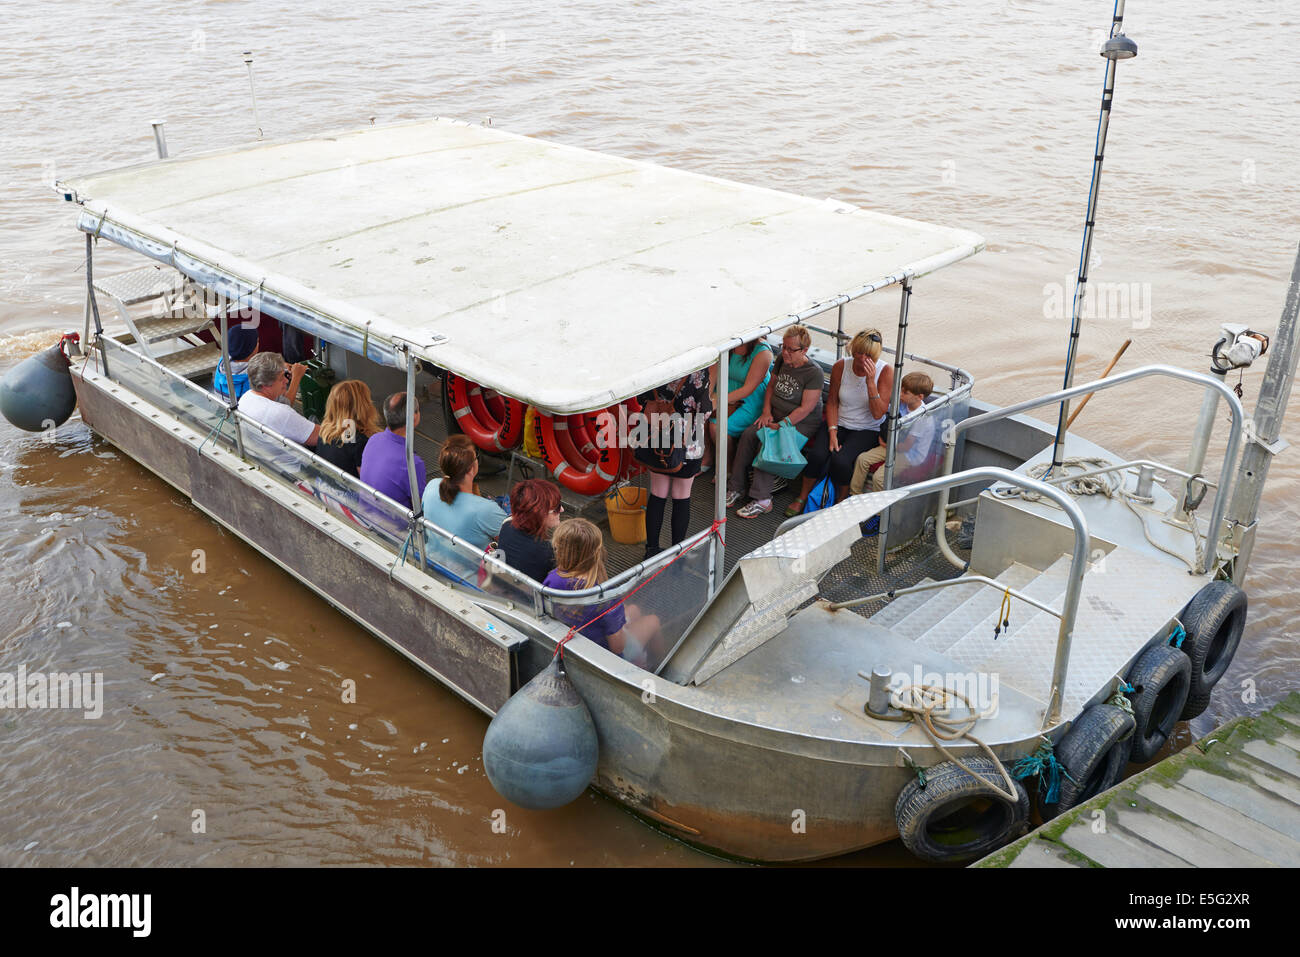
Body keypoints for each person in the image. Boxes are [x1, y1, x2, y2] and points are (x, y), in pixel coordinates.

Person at [789, 329, 893, 515]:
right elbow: (833, 402)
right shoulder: (841, 366)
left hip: (867, 428)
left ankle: (840, 500)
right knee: (817, 455)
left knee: (841, 460)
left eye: (868, 355)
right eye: (858, 352)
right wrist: (832, 431)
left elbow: (878, 414)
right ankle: (803, 496)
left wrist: (870, 382)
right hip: (839, 421)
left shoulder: (884, 371)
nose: (862, 358)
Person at [726, 324, 824, 517]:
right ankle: (736, 486)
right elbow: (771, 386)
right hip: (775, 414)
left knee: (770, 443)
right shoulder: (782, 360)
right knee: (748, 435)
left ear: (804, 350)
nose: (785, 352)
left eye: (791, 349)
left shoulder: (814, 373)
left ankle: (763, 499)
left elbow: (806, 409)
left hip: (800, 423)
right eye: (783, 347)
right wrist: (765, 412)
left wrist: (781, 425)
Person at [543, 518, 662, 668]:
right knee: (653, 621)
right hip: (602, 657)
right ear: (596, 553)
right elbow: (618, 647)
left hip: (571, 639)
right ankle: (656, 666)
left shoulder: (552, 579)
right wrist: (620, 627)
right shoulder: (606, 597)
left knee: (634, 609)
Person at [638, 367, 712, 559]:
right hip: (687, 442)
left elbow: (641, 399)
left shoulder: (657, 366)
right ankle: (677, 551)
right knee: (682, 496)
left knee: (657, 493)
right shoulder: (698, 372)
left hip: (657, 435)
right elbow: (703, 411)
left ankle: (651, 549)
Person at [850, 372, 936, 495]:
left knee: (879, 478)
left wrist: (884, 443)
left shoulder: (922, 417)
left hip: (910, 455)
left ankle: (879, 512)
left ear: (919, 397)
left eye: (905, 392)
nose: (900, 394)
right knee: (862, 459)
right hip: (894, 444)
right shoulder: (902, 403)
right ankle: (854, 494)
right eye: (901, 390)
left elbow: (907, 447)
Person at [422, 434, 508, 553]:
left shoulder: (432, 486)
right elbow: (510, 542)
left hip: (433, 561)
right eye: (476, 456)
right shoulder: (485, 510)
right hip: (471, 571)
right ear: (472, 468)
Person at [703, 338, 773, 473]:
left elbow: (749, 388)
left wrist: (717, 402)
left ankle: (726, 467)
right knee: (699, 414)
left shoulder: (763, 352)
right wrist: (707, 399)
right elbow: (712, 376)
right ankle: (707, 456)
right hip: (723, 391)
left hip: (748, 398)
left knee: (717, 427)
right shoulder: (726, 343)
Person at [359, 392, 427, 510]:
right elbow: (421, 509)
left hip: (365, 515)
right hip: (393, 526)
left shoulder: (373, 439)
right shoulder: (413, 463)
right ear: (414, 418)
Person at [237, 351, 319, 447]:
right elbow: (323, 437)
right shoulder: (282, 413)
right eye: (281, 378)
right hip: (296, 461)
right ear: (265, 386)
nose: (287, 380)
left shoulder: (245, 398)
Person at [497, 478, 563, 582]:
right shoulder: (546, 552)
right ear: (539, 513)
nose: (562, 509)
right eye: (557, 508)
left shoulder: (507, 525)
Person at [315, 380, 383, 477]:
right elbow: (367, 480)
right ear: (363, 407)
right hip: (347, 491)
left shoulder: (325, 432)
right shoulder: (361, 442)